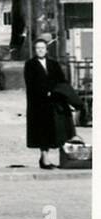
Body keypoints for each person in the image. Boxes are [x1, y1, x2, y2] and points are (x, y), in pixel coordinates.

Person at [24, 37, 75, 169]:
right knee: (42, 131)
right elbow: (31, 84)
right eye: (37, 48)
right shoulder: (30, 64)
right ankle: (44, 159)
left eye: (42, 48)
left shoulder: (54, 64)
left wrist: (59, 92)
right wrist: (45, 92)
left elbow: (61, 80)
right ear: (35, 50)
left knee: (58, 130)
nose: (40, 50)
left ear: (46, 50)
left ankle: (61, 159)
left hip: (55, 102)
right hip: (39, 104)